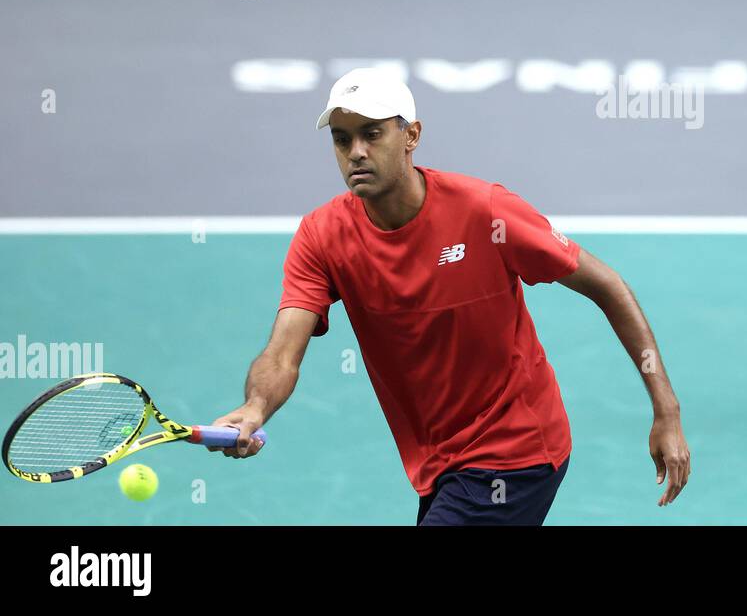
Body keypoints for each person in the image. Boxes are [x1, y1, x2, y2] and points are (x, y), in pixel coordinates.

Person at [208, 67, 691, 522]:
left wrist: (665, 409)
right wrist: (256, 407)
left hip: (514, 450)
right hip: (438, 460)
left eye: (372, 134)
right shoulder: (322, 236)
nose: (355, 151)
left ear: (411, 136)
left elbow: (605, 284)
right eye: (342, 139)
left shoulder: (486, 213)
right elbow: (282, 353)